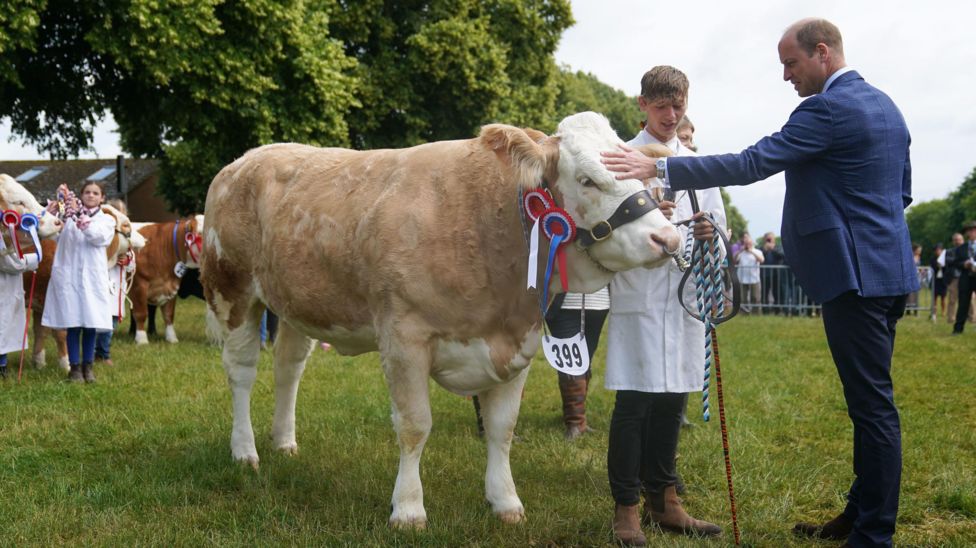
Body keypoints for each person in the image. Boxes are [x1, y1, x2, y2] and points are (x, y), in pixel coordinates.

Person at [603, 18, 917, 547]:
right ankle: (860, 512)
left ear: (822, 53)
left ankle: (873, 533)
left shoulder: (827, 108)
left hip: (853, 276)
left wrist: (664, 173)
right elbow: (901, 193)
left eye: (791, 64)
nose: (787, 76)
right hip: (886, 272)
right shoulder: (888, 107)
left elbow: (753, 163)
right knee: (870, 401)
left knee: (872, 407)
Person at [604, 65, 724, 546]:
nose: (671, 116)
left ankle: (666, 498)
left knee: (674, 398)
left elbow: (721, 225)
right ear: (642, 105)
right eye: (661, 107)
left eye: (678, 106)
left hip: (685, 297)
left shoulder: (699, 164)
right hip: (640, 294)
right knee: (635, 399)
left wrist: (709, 232)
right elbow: (603, 228)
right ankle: (626, 506)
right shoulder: (619, 159)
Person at [42, 182, 116, 383]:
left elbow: (99, 238)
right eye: (87, 192)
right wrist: (54, 211)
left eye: (95, 193)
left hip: (92, 279)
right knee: (73, 323)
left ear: (102, 198)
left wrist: (80, 219)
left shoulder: (106, 220)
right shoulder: (66, 217)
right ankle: (75, 368)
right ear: (81, 195)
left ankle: (88, 367)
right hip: (69, 278)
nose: (91, 195)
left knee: (91, 323)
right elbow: (49, 230)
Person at [546, 290, 609, 440]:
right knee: (571, 363)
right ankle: (575, 422)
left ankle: (576, 417)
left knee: (585, 359)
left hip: (599, 303)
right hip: (564, 302)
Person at [95, 199, 135, 366]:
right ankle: (95, 352)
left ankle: (103, 353)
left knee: (110, 322)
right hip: (100, 282)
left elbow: (132, 265)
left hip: (116, 284)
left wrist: (126, 260)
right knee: (96, 320)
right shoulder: (100, 234)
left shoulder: (127, 239)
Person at [1, 228, 41, 379]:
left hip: (7, 288)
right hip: (4, 286)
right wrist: (35, 258)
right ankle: (2, 366)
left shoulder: (7, 227)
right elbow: (12, 264)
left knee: (3, 324)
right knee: (3, 324)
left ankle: (2, 364)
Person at [951, 221, 976, 334]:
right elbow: (956, 262)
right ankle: (958, 329)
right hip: (966, 278)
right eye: (969, 230)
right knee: (963, 304)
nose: (971, 232)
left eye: (973, 230)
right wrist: (964, 264)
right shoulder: (961, 248)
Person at [734, 232, 764, 314]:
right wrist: (740, 251)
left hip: (754, 279)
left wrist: (751, 251)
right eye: (745, 243)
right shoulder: (741, 253)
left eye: (748, 243)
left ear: (752, 243)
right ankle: (743, 313)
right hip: (742, 279)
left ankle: (756, 313)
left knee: (755, 297)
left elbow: (761, 260)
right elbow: (734, 260)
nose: (747, 245)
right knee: (743, 298)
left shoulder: (757, 251)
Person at [930, 243, 946, 320]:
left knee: (943, 297)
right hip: (935, 281)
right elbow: (932, 268)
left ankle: (943, 312)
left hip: (943, 281)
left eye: (939, 250)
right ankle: (934, 312)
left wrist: (942, 266)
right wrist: (937, 265)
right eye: (936, 250)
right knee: (934, 298)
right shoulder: (933, 259)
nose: (937, 251)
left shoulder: (945, 258)